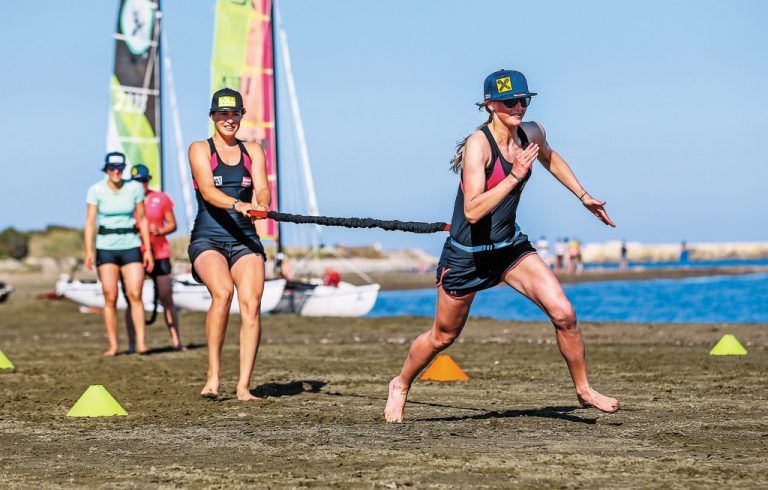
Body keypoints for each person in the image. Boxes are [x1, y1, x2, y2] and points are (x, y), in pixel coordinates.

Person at [384, 70, 619, 422]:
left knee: (565, 315)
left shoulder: (531, 133)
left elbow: (550, 157)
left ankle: (584, 390)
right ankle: (400, 384)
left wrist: (583, 196)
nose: (519, 107)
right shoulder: (477, 146)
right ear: (490, 105)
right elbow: (473, 210)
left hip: (510, 249)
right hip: (468, 257)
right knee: (443, 336)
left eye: (524, 100)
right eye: (510, 102)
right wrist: (514, 176)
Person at [187, 88, 270, 401]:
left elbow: (262, 190)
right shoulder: (199, 148)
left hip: (245, 239)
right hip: (208, 238)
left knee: (251, 305)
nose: (229, 119)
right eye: (223, 114)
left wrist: (260, 204)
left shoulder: (254, 151)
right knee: (223, 292)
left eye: (234, 113)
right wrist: (239, 205)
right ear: (213, 117)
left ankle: (244, 387)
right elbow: (208, 191)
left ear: (241, 116)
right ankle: (213, 377)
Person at [84, 152, 154, 356]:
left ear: (123, 169)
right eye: (112, 168)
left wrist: (147, 249)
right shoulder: (95, 190)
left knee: (135, 293)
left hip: (131, 245)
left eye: (119, 168)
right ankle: (113, 345)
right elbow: (90, 222)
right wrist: (89, 251)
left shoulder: (134, 188)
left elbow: (142, 219)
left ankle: (141, 343)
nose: (116, 172)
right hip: (106, 247)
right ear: (106, 169)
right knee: (110, 296)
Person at [125, 164, 184, 352]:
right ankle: (134, 343)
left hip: (160, 253)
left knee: (166, 296)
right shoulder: (126, 200)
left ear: (148, 180)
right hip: (135, 253)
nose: (140, 185)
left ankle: (176, 340)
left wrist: (161, 230)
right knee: (133, 297)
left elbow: (173, 224)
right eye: (136, 181)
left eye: (143, 181)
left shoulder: (161, 198)